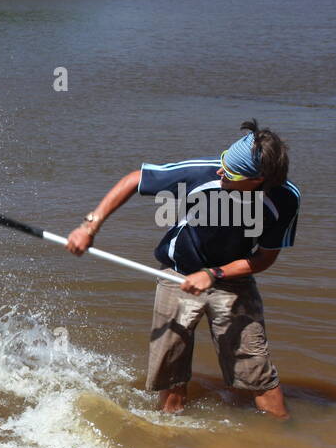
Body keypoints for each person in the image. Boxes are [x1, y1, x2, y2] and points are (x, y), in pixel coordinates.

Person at [66, 120, 299, 419]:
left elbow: (265, 258)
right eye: (224, 160)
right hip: (177, 274)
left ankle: (285, 441)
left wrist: (214, 274)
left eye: (230, 172)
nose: (220, 171)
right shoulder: (201, 173)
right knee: (171, 375)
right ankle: (170, 440)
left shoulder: (285, 199)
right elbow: (136, 179)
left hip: (233, 279)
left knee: (258, 373)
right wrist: (90, 226)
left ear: (259, 180)